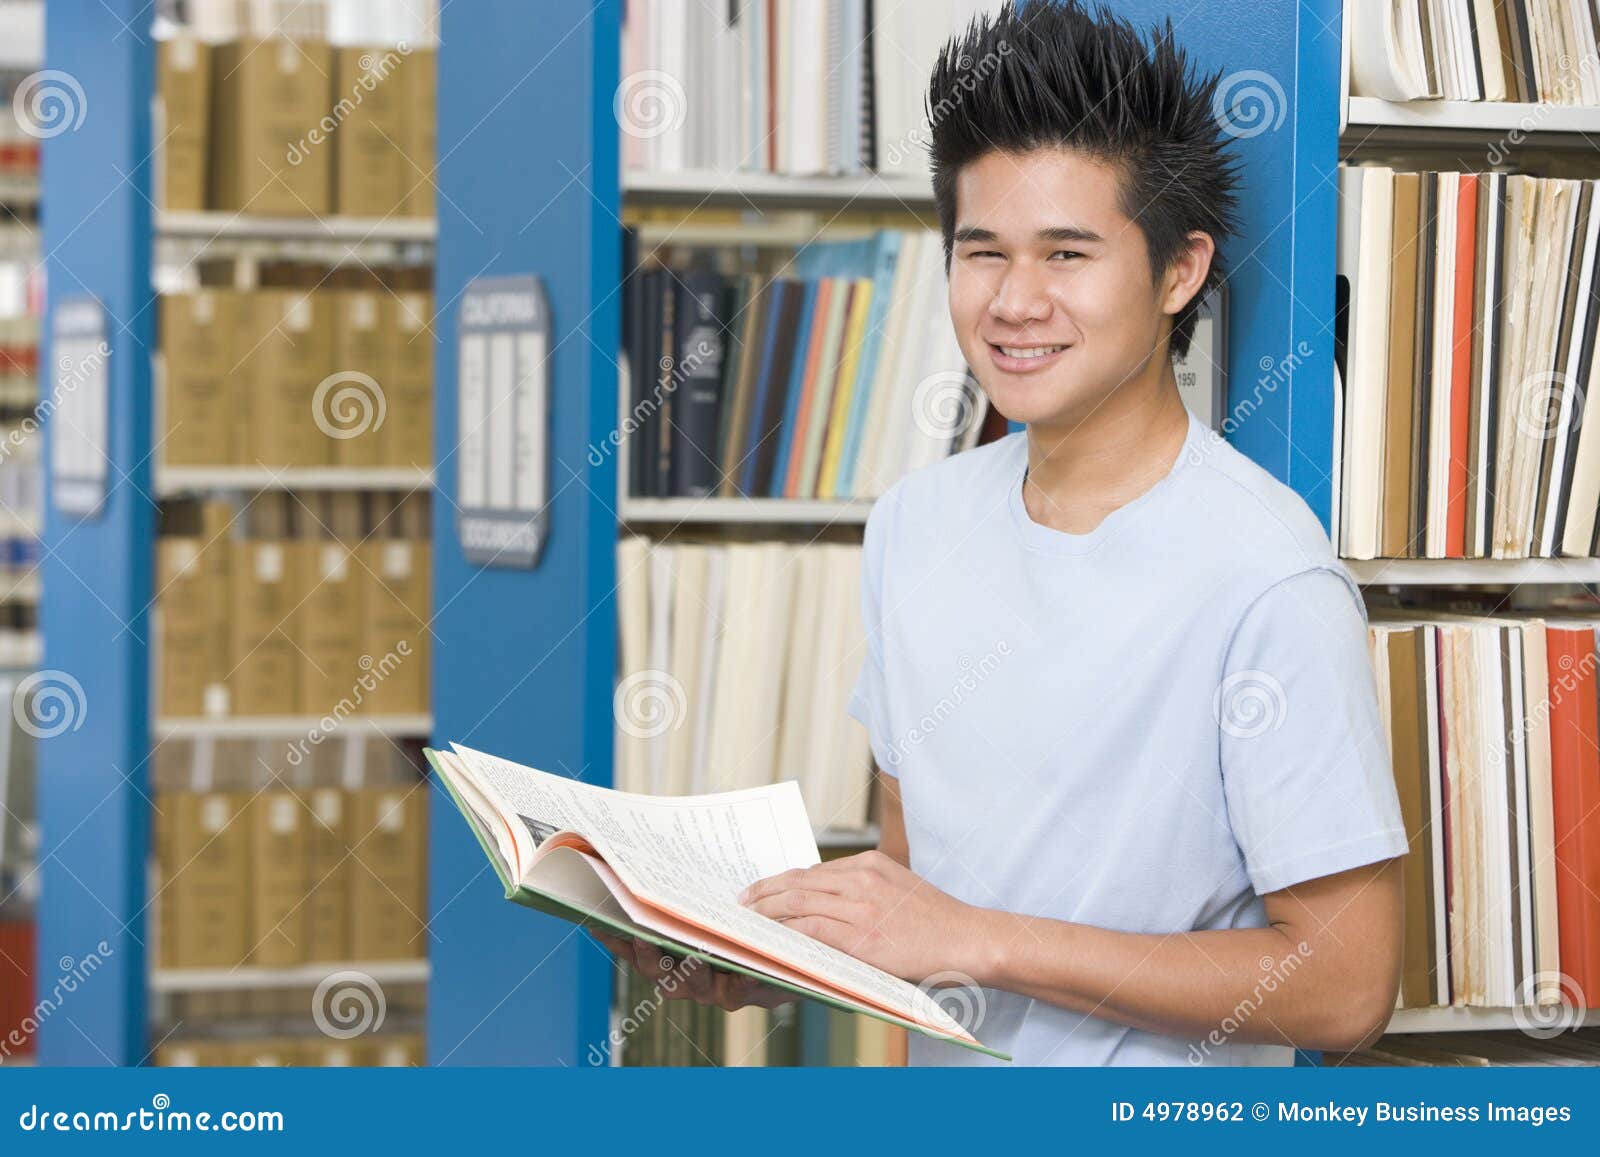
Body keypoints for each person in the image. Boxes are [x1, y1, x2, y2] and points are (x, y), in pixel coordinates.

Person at [598, 0, 1406, 1066]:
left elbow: (1346, 984)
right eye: (982, 252)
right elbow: (916, 888)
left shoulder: (1265, 574)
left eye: (1067, 252)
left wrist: (978, 939)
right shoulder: (913, 523)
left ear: (1179, 271)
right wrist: (764, 946)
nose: (1014, 301)